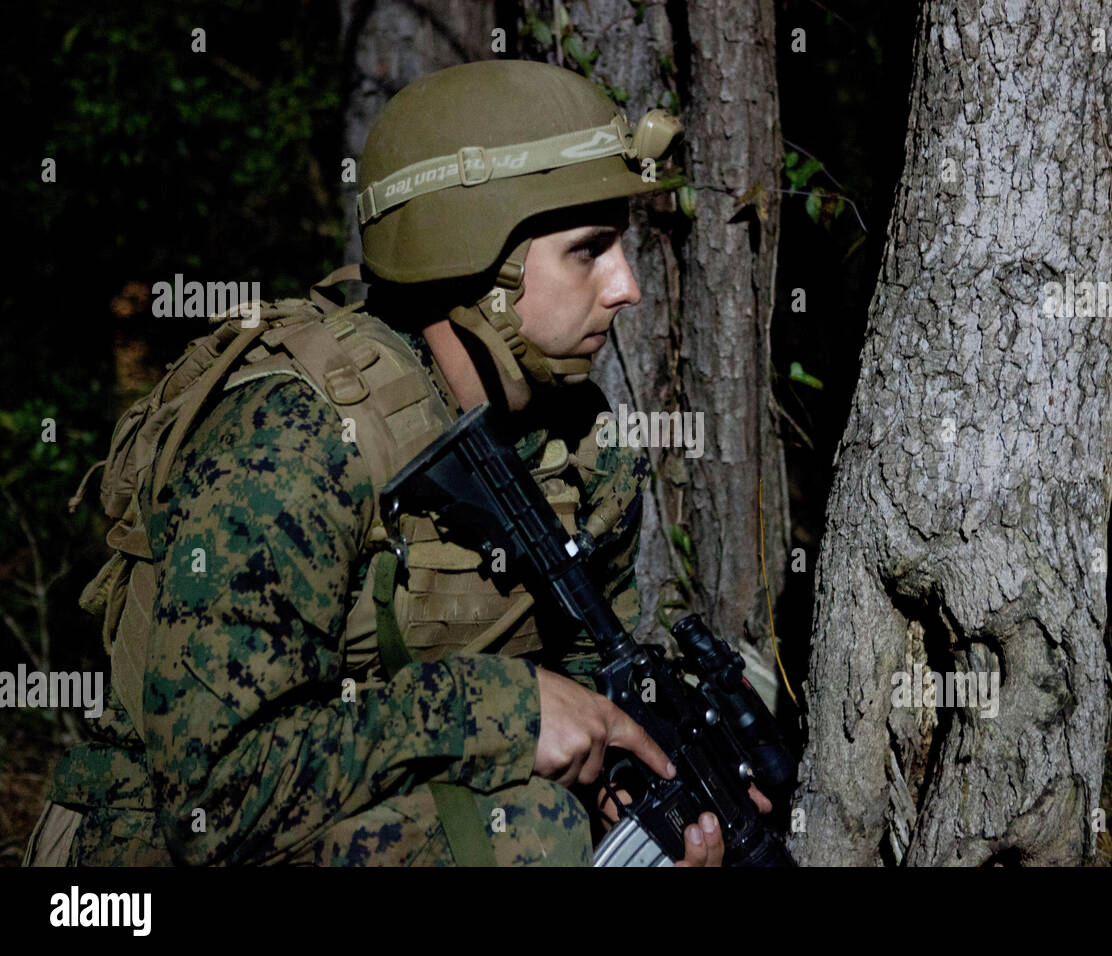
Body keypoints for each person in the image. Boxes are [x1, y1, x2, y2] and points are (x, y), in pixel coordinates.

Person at [26, 59, 766, 867]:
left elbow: (583, 698)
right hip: (131, 856)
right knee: (530, 836)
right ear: (474, 260)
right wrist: (502, 711)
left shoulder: (583, 447)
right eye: (589, 250)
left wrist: (636, 792)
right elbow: (216, 796)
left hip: (360, 810)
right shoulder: (299, 435)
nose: (627, 286)